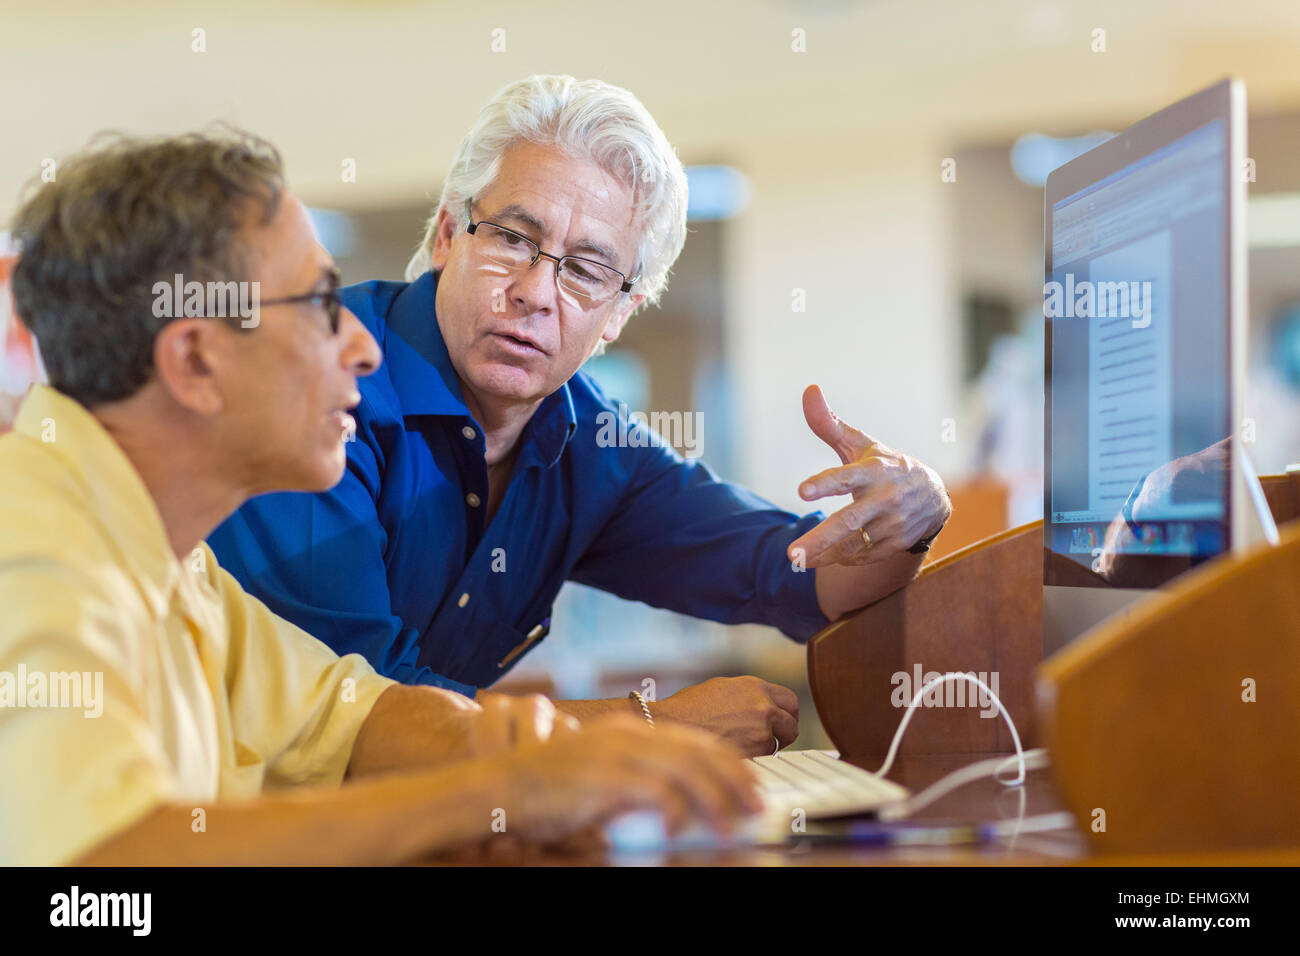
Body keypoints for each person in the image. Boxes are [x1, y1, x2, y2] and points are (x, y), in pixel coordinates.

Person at [0, 130, 759, 866]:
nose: (362, 348)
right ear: (196, 361)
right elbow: (95, 872)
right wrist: (496, 792)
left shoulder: (176, 565)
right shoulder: (32, 543)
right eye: (320, 308)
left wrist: (555, 754)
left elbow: (352, 716)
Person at [209, 75, 952, 757]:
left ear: (618, 316)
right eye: (511, 239)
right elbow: (355, 716)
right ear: (445, 235)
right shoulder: (320, 384)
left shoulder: (592, 445)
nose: (536, 292)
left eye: (587, 271)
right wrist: (652, 727)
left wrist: (907, 518)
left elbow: (794, 576)